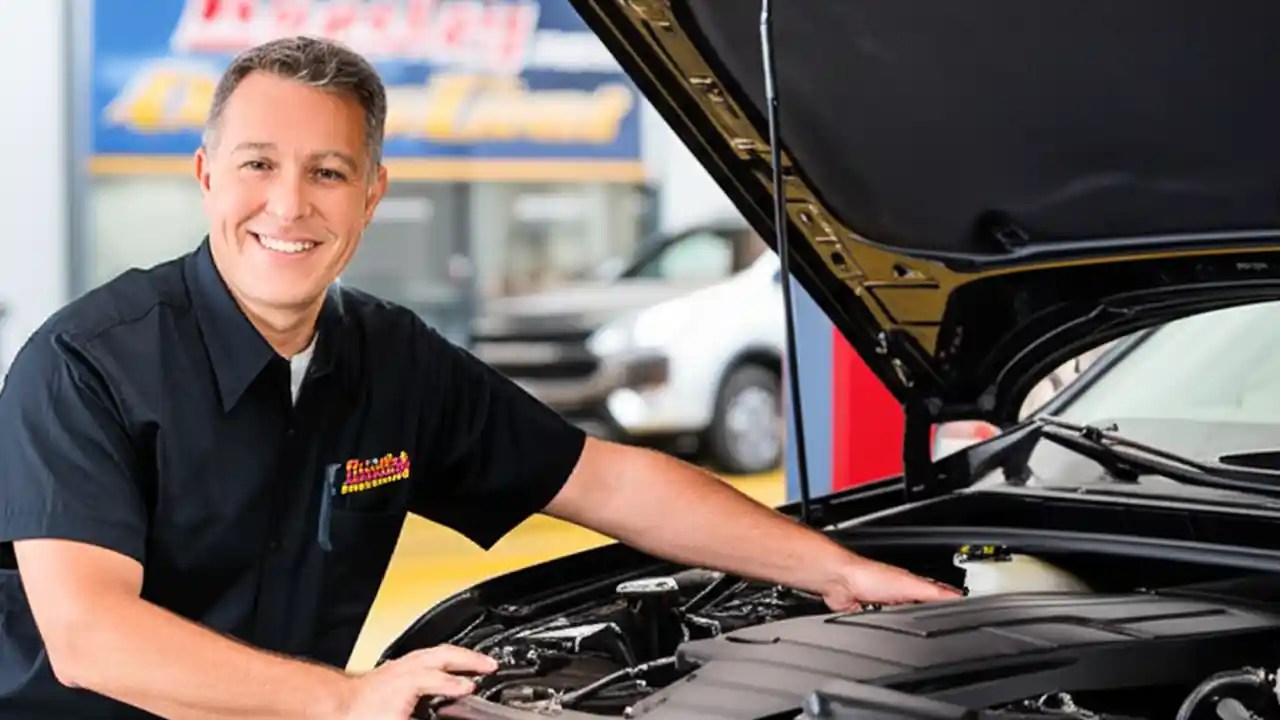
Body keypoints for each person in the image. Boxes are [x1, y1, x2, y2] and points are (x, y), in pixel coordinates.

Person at [0, 36, 959, 719]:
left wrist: (837, 567)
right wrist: (344, 700)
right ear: (207, 174)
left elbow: (610, 481)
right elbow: (93, 640)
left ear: (372, 195)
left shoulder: (393, 360)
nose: (287, 205)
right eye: (259, 164)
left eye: (329, 172)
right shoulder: (85, 364)